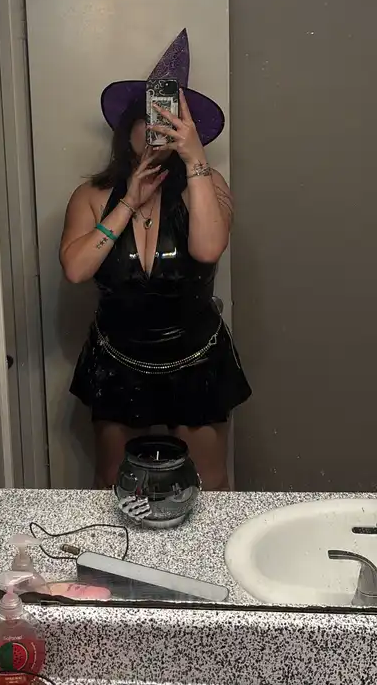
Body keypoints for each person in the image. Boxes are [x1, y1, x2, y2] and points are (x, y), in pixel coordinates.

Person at [60, 84, 251, 491]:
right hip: (118, 360)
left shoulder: (207, 185)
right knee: (113, 484)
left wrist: (195, 159)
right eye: (150, 116)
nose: (159, 128)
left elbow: (208, 248)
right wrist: (128, 202)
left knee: (210, 486)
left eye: (170, 119)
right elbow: (76, 269)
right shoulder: (92, 196)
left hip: (197, 358)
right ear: (127, 127)